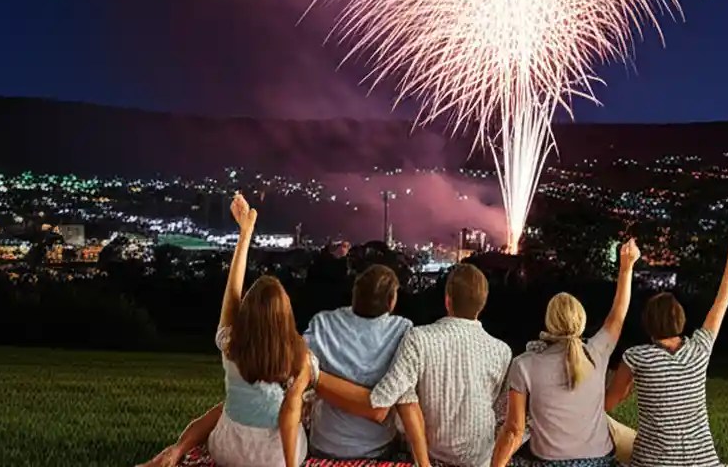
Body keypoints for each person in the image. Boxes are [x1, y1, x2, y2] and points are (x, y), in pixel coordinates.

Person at [138, 194, 316, 467]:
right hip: (276, 458)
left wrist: (245, 234)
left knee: (225, 408)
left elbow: (232, 296)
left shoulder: (231, 342)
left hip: (227, 452)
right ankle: (176, 450)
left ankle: (177, 450)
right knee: (301, 406)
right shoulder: (300, 355)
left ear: (247, 313)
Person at [315, 263, 511, 467]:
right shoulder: (502, 351)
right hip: (481, 461)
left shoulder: (419, 339)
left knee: (406, 396)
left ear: (447, 300)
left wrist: (316, 377)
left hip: (431, 457)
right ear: (483, 303)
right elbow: (503, 415)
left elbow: (380, 402)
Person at [604, 228, 728, 467]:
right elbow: (720, 303)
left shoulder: (636, 358)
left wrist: (626, 268)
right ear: (680, 320)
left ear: (647, 323)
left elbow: (607, 404)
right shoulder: (699, 350)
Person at [490, 239, 642, 467]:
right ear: (581, 321)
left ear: (549, 322)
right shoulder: (596, 353)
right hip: (599, 461)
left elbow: (514, 430)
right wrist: (626, 268)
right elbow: (617, 315)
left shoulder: (524, 364)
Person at [302, 264, 414, 458]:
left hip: (325, 443)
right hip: (377, 448)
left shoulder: (322, 324)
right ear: (391, 301)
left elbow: (297, 367)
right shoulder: (402, 330)